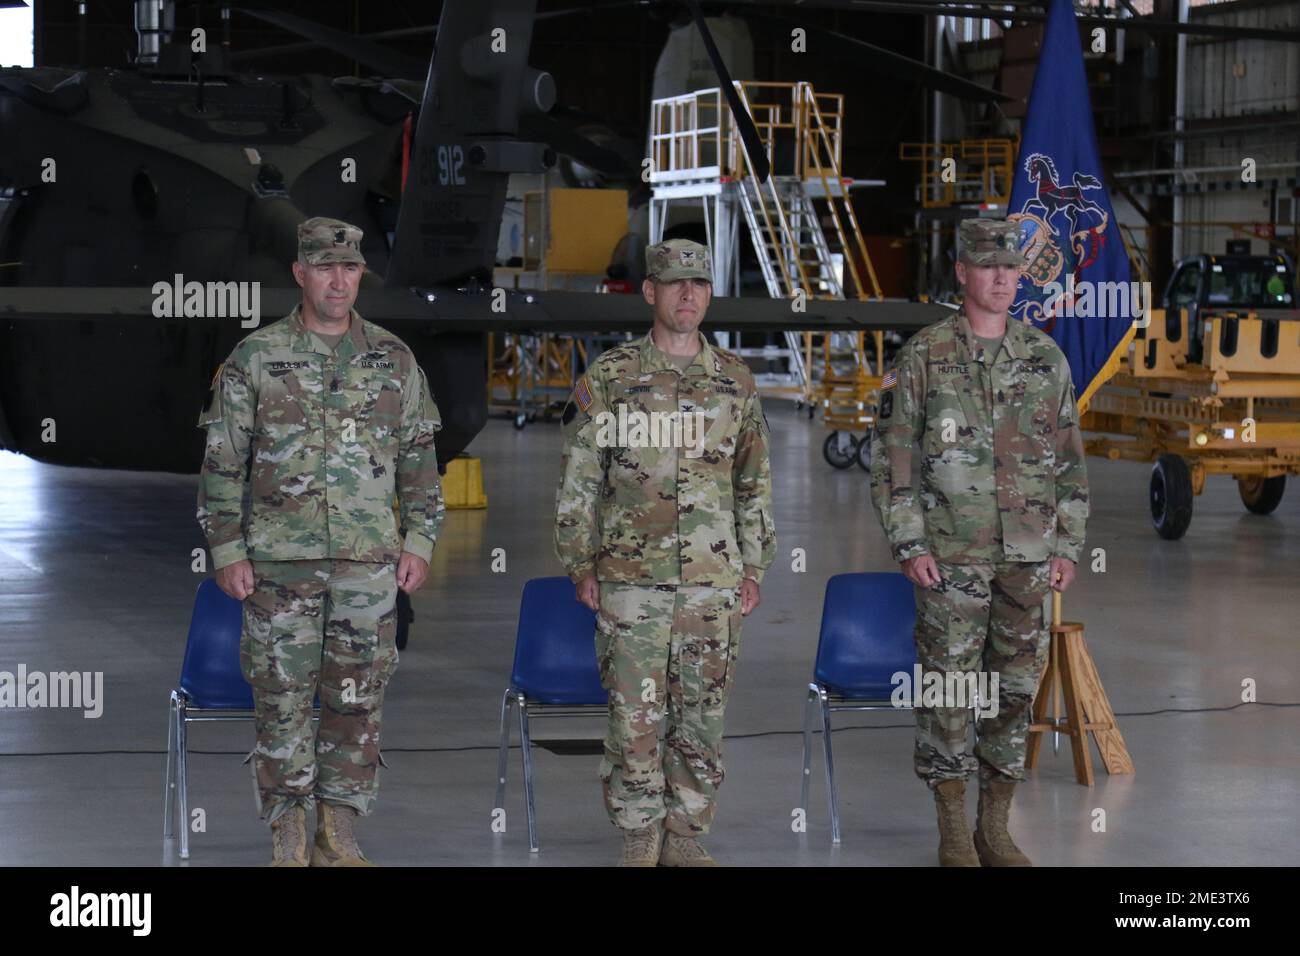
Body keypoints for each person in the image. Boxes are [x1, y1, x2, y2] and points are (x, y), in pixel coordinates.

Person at [197, 217, 444, 866]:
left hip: (368, 566)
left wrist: (420, 540)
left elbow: (419, 456)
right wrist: (227, 549)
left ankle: (340, 830)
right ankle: (288, 831)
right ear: (300, 274)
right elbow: (223, 462)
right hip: (280, 564)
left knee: (357, 701)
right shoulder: (257, 358)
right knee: (281, 701)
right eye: (325, 267)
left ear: (362, 274)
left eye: (351, 268)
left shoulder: (393, 360)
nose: (339, 280)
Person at [869, 218, 1089, 867]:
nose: (1000, 277)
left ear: (1021, 276)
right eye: (987, 266)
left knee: (1014, 691)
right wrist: (910, 544)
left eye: (1010, 268)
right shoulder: (925, 356)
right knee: (949, 692)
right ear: (962, 272)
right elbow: (894, 460)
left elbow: (1071, 463)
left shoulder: (1045, 358)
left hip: (1026, 559)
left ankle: (995, 827)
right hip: (951, 560)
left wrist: (1067, 545)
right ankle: (952, 830)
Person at [554, 238, 776, 866]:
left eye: (699, 285)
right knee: (636, 712)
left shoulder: (735, 380)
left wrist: (753, 565)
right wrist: (579, 561)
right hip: (630, 577)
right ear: (649, 292)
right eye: (675, 284)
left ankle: (685, 835)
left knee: (703, 713)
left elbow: (754, 480)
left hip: (713, 578)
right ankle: (638, 831)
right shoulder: (612, 377)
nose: (688, 295)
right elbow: (579, 478)